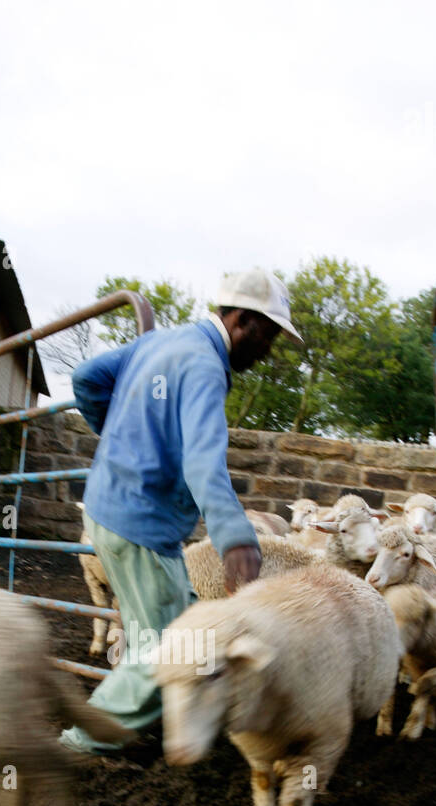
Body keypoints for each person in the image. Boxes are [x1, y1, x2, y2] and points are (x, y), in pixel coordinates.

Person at [60, 267, 302, 755]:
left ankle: (145, 721)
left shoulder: (164, 341)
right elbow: (203, 463)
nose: (269, 350)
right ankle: (79, 742)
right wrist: (236, 539)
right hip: (140, 528)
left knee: (178, 628)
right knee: (175, 651)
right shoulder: (206, 368)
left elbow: (87, 378)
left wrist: (124, 435)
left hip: (106, 511)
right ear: (243, 321)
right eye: (271, 335)